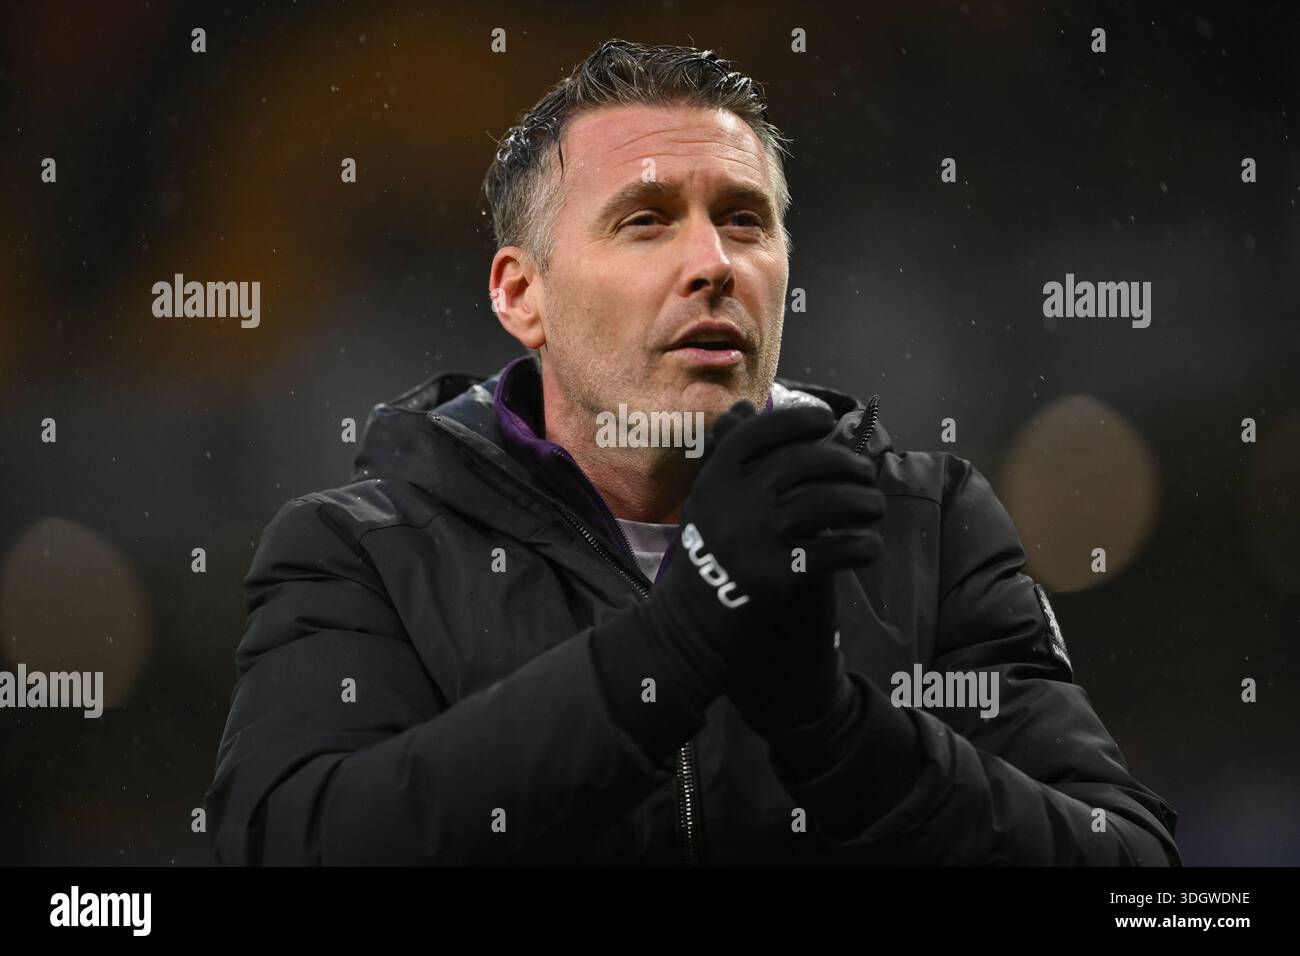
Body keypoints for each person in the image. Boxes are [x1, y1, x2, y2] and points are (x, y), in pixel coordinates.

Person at [205, 39, 1180, 866]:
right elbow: (295, 840)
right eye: (646, 220)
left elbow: (1155, 892)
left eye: (744, 219)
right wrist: (675, 638)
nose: (712, 261)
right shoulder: (359, 550)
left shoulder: (925, 526)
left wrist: (838, 733)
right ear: (519, 295)